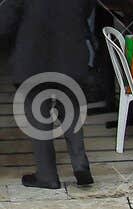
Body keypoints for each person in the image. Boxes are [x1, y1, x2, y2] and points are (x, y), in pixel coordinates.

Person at [0, 0, 96, 190]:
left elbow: (5, 23)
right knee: (70, 108)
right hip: (70, 54)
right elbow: (87, 9)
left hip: (33, 58)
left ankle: (47, 176)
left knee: (38, 115)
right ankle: (80, 163)